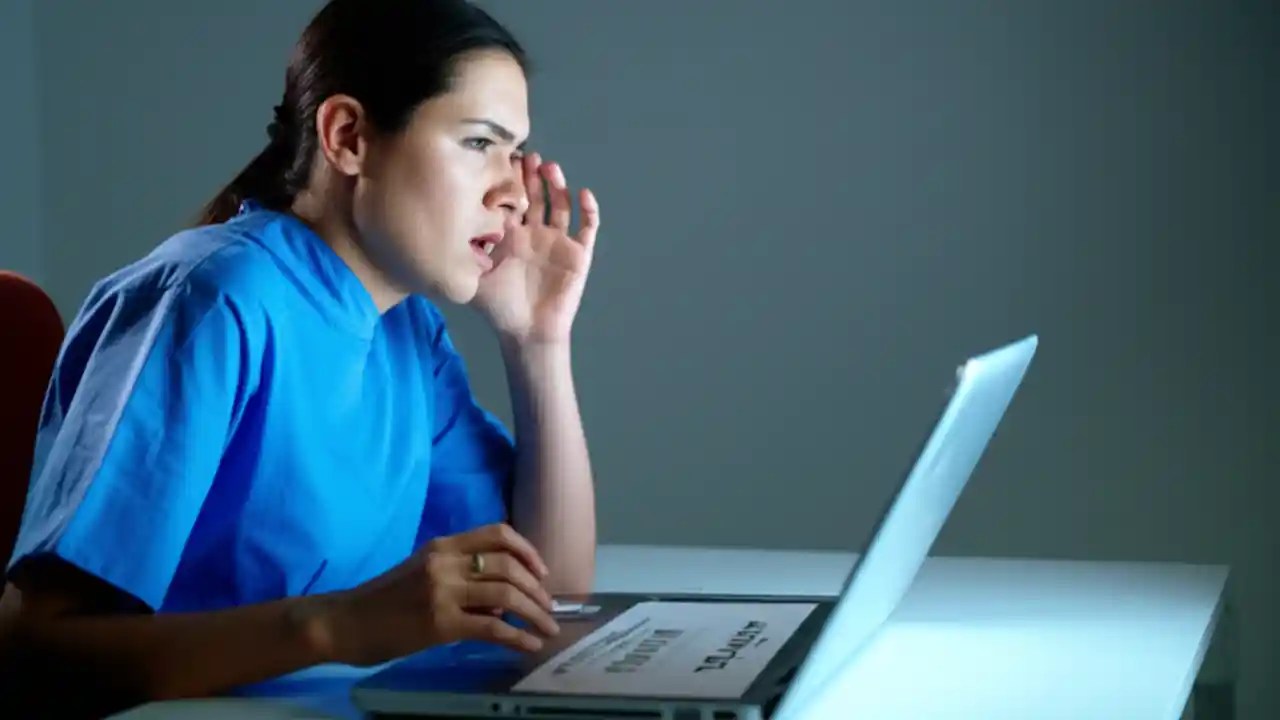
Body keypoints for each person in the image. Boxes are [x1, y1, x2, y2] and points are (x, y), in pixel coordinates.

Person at [0, 0, 600, 716]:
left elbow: (547, 596)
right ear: (348, 136)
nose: (511, 193)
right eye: (479, 143)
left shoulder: (409, 335)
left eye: (516, 152)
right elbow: (34, 653)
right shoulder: (214, 300)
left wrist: (538, 343)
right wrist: (337, 625)